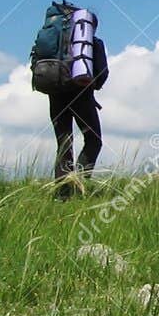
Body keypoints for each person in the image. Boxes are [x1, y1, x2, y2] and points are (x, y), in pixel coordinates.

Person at [47, 22, 107, 197]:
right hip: (82, 96)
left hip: (55, 95)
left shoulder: (58, 47)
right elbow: (102, 73)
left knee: (64, 144)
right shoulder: (93, 44)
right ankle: (78, 186)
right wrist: (93, 85)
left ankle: (62, 195)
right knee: (94, 140)